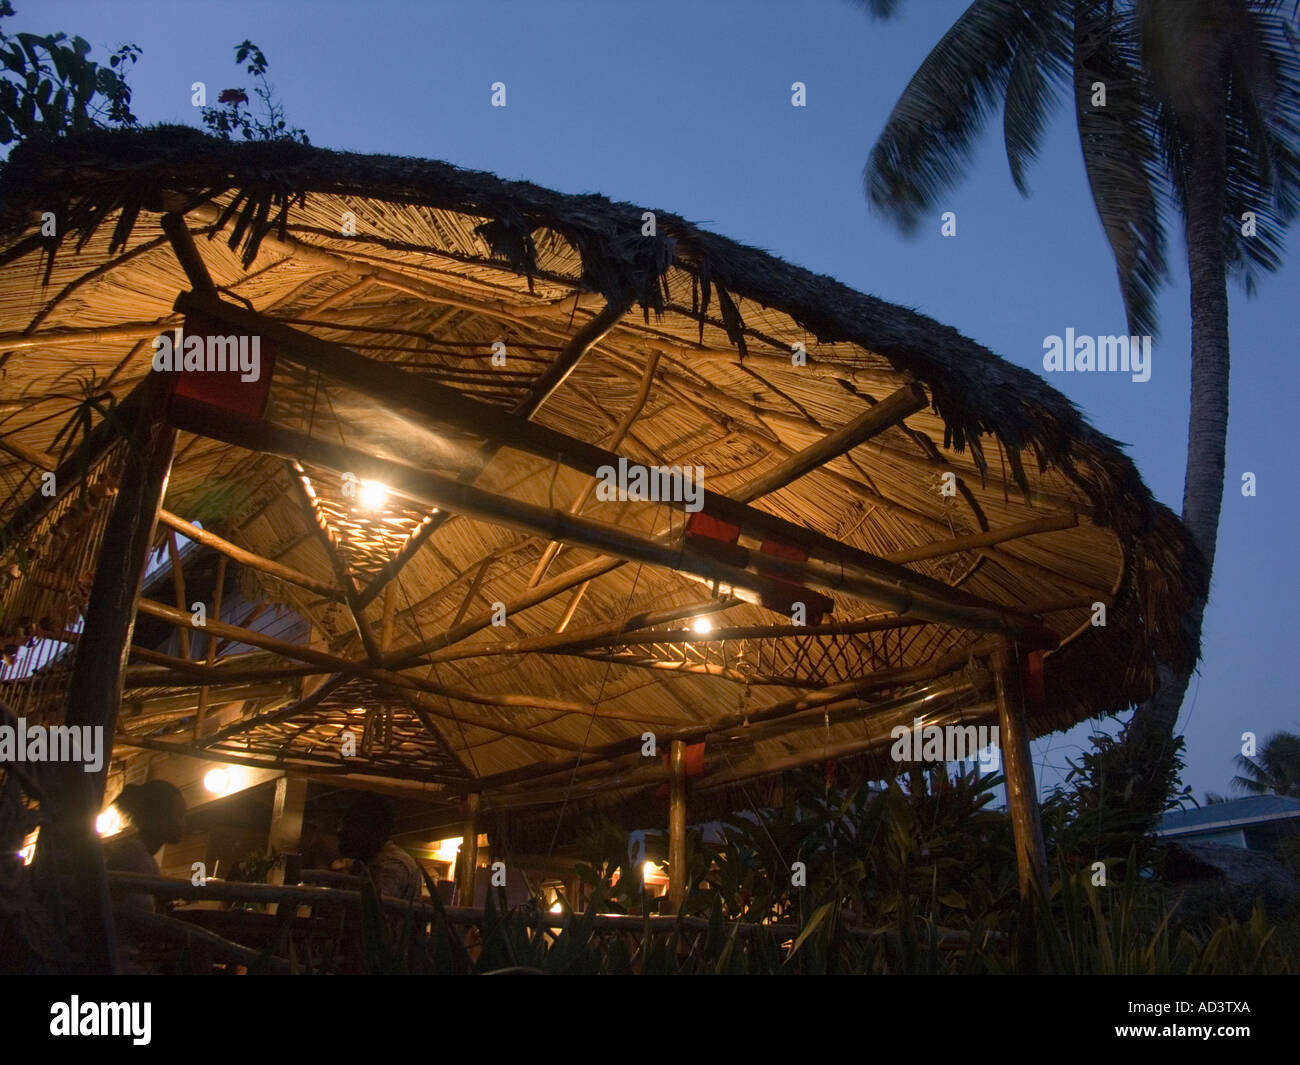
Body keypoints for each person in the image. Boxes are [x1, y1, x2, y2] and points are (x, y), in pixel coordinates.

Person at [101, 780, 187, 972]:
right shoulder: (133, 856)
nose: (183, 823)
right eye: (179, 815)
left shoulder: (142, 857)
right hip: (116, 963)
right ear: (159, 818)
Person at [337, 793, 421, 902]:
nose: (340, 831)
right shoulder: (372, 861)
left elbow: (373, 914)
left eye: (350, 825)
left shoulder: (392, 865)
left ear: (374, 829)